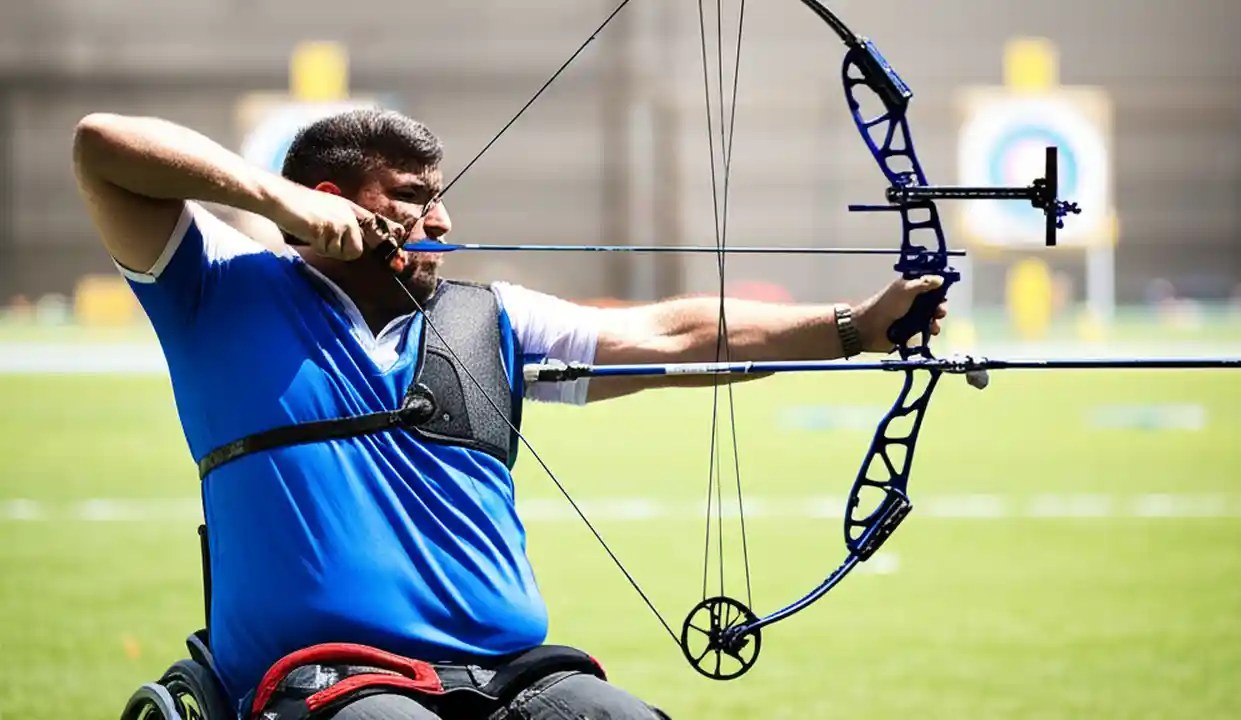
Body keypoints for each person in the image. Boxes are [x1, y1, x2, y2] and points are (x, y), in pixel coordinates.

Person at [72, 107, 947, 719]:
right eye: (414, 195)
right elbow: (102, 144)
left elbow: (673, 335)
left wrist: (854, 327)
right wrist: (277, 202)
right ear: (334, 200)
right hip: (328, 683)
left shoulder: (491, 319)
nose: (442, 220)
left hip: (513, 681)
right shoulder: (217, 288)